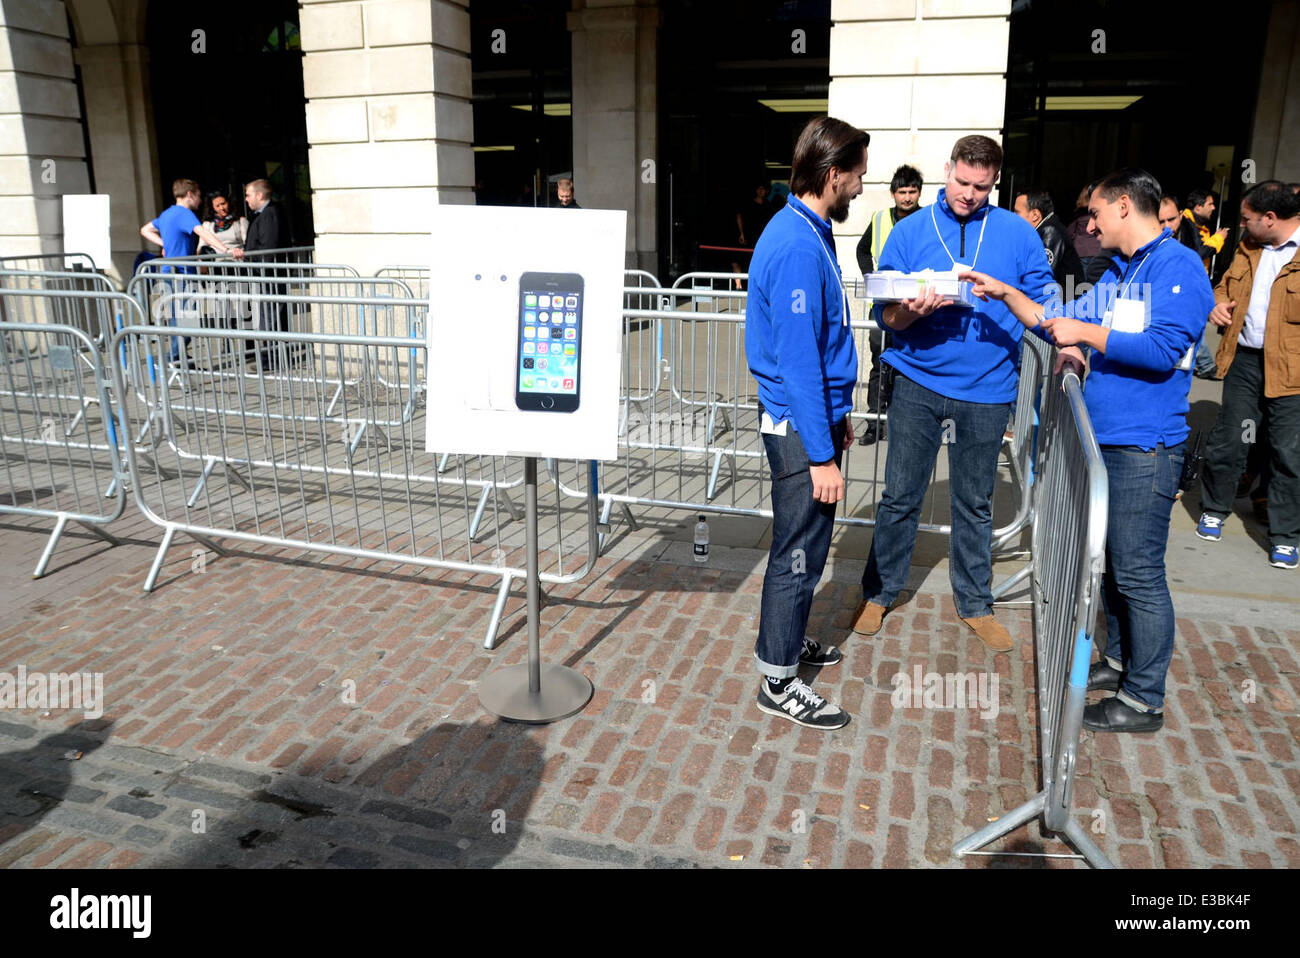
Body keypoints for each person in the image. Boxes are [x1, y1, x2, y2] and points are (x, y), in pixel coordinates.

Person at [961, 167, 1214, 733]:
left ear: (1125, 206)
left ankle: (1144, 699)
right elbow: (1061, 325)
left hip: (1142, 450)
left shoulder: (1179, 267)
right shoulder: (1123, 270)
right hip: (1106, 444)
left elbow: (1159, 349)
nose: (1091, 226)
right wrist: (1008, 295)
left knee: (1139, 573)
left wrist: (1084, 337)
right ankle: (1121, 662)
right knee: (1116, 571)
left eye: (1097, 214)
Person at [851, 135, 1055, 653]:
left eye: (981, 186)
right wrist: (912, 311)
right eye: (961, 182)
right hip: (917, 381)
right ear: (947, 170)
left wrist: (1014, 297)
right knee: (900, 494)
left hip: (988, 389)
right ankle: (880, 591)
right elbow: (886, 314)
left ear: (996, 183)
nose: (968, 194)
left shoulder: (1016, 233)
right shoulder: (911, 229)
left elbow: (1047, 299)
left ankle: (975, 601)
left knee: (974, 500)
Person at [744, 115, 871, 730]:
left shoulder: (807, 229)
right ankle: (777, 679)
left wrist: (834, 426)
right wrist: (820, 454)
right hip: (799, 426)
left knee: (808, 544)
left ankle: (787, 645)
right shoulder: (797, 244)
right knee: (797, 551)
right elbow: (798, 360)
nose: (861, 188)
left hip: (811, 420)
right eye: (857, 177)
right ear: (830, 173)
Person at [1195, 180, 1300, 571]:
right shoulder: (1248, 248)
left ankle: (1286, 535)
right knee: (1233, 437)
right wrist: (1218, 306)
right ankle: (1214, 508)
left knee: (1287, 451)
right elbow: (1223, 286)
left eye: (1247, 218)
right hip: (1244, 362)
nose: (1241, 226)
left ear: (1270, 219)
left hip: (1291, 371)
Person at [854, 164, 924, 444]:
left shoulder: (928, 220)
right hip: (883, 307)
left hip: (916, 307)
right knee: (878, 364)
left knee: (912, 366)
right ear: (893, 193)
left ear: (919, 192)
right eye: (902, 192)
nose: (907, 197)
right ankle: (874, 424)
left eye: (912, 191)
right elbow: (862, 250)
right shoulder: (880, 217)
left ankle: (906, 427)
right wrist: (871, 278)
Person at [139, 178, 240, 361]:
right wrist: (226, 250)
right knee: (188, 320)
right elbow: (203, 233)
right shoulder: (185, 214)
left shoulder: (166, 214)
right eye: (198, 196)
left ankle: (178, 359)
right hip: (182, 273)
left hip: (169, 272)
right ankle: (173, 358)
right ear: (189, 194)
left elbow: (145, 230)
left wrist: (165, 244)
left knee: (178, 319)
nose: (200, 201)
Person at [1161, 192, 1219, 379]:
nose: (1167, 226)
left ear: (1180, 214)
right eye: (1161, 221)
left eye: (1171, 219)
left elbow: (1199, 253)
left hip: (1185, 292)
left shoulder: (1189, 230)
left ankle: (1204, 364)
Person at [1013, 186, 1085, 294]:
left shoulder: (1050, 231)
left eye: (1017, 212)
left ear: (1035, 215)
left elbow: (1041, 274)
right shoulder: (1043, 229)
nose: (1013, 217)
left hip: (1065, 301)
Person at [733, 182, 776, 289]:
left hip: (763, 237)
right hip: (749, 236)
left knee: (762, 261)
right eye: (759, 189)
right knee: (745, 260)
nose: (762, 191)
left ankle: (758, 285)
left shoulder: (769, 206)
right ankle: (741, 285)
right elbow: (740, 216)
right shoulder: (748, 204)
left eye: (764, 189)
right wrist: (742, 233)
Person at [1183, 188, 1230, 274]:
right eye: (1210, 204)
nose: (1213, 208)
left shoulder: (1197, 225)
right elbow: (1199, 252)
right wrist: (1219, 238)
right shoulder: (1186, 224)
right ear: (1198, 207)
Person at [198, 190, 248, 255]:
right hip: (215, 263)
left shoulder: (240, 221)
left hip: (237, 261)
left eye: (223, 204)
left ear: (229, 203)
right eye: (217, 206)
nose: (222, 208)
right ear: (213, 208)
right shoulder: (207, 224)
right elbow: (201, 246)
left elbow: (247, 243)